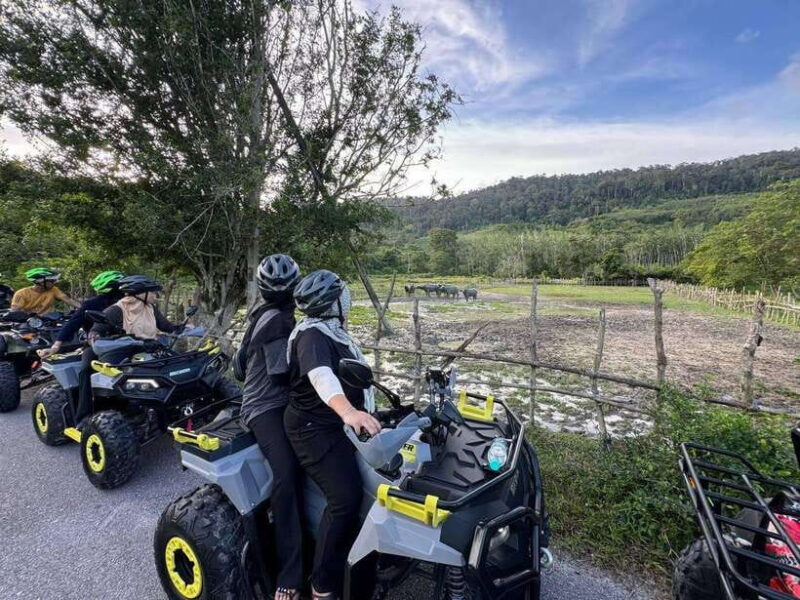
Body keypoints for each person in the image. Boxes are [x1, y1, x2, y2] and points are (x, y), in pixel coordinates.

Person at [284, 269, 381, 600]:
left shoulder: (333, 331)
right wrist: (350, 413)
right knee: (345, 498)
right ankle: (321, 584)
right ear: (332, 303)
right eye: (342, 294)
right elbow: (321, 377)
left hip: (335, 424)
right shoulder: (312, 336)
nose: (347, 298)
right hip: (314, 429)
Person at [238, 254, 303, 600]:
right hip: (265, 407)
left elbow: (238, 364)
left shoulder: (261, 313)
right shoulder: (278, 320)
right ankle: (289, 573)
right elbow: (283, 375)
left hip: (277, 402)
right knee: (287, 473)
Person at [38, 270, 125, 426]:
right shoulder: (91, 304)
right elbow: (72, 324)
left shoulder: (129, 303)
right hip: (97, 346)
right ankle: (83, 416)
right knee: (86, 371)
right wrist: (55, 346)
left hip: (127, 344)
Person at [90, 275, 181, 341]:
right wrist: (94, 336)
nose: (155, 295)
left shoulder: (150, 308)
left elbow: (166, 326)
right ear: (141, 293)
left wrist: (183, 327)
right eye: (152, 292)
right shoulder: (116, 310)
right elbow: (96, 331)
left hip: (149, 352)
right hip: (122, 357)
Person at [11, 267, 80, 315]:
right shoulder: (21, 293)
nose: (54, 283)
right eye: (51, 281)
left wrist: (84, 308)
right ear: (41, 282)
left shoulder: (54, 289)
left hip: (47, 321)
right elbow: (15, 311)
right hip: (27, 322)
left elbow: (68, 300)